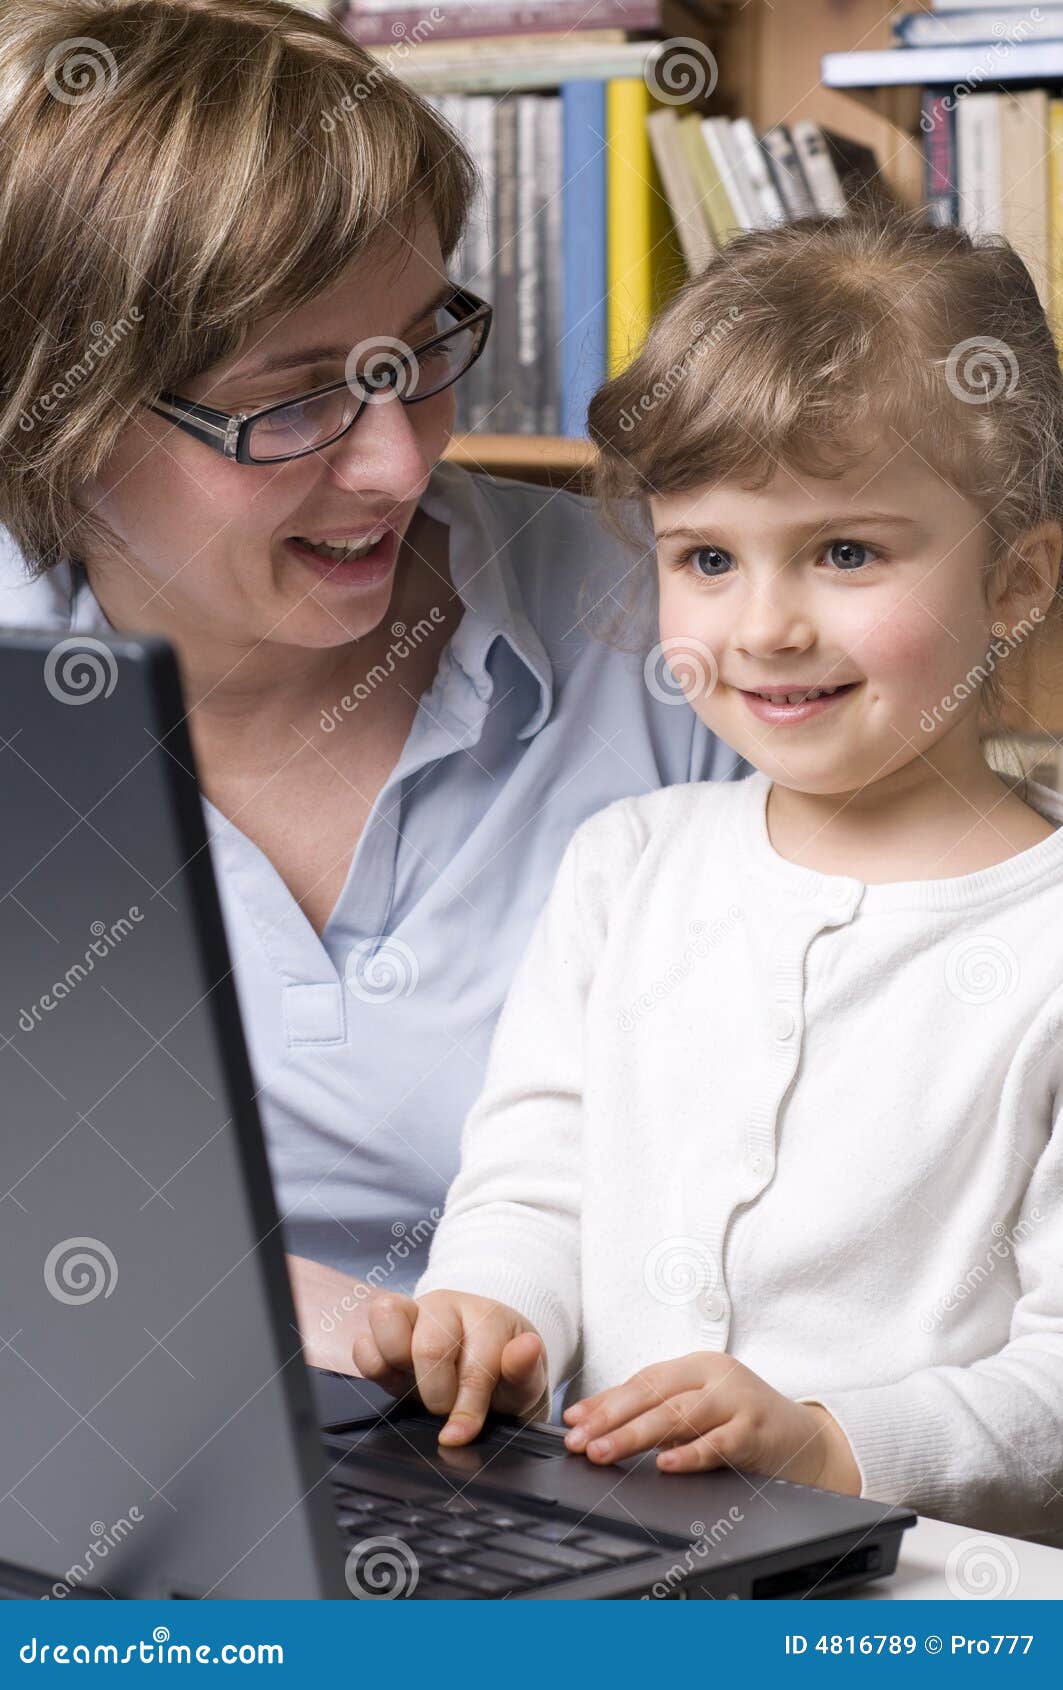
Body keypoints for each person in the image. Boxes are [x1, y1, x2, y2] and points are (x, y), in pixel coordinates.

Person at [0, 0, 747, 1369]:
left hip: (600, 1449)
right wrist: (357, 1334)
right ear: (63, 414)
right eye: (290, 401)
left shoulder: (687, 636)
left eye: (412, 356)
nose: (400, 465)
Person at [357, 207, 1063, 1542]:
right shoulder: (629, 863)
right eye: (708, 560)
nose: (767, 626)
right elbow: (533, 1180)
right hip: (611, 1548)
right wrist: (491, 1311)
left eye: (847, 553)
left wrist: (836, 1442)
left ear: (1016, 583)